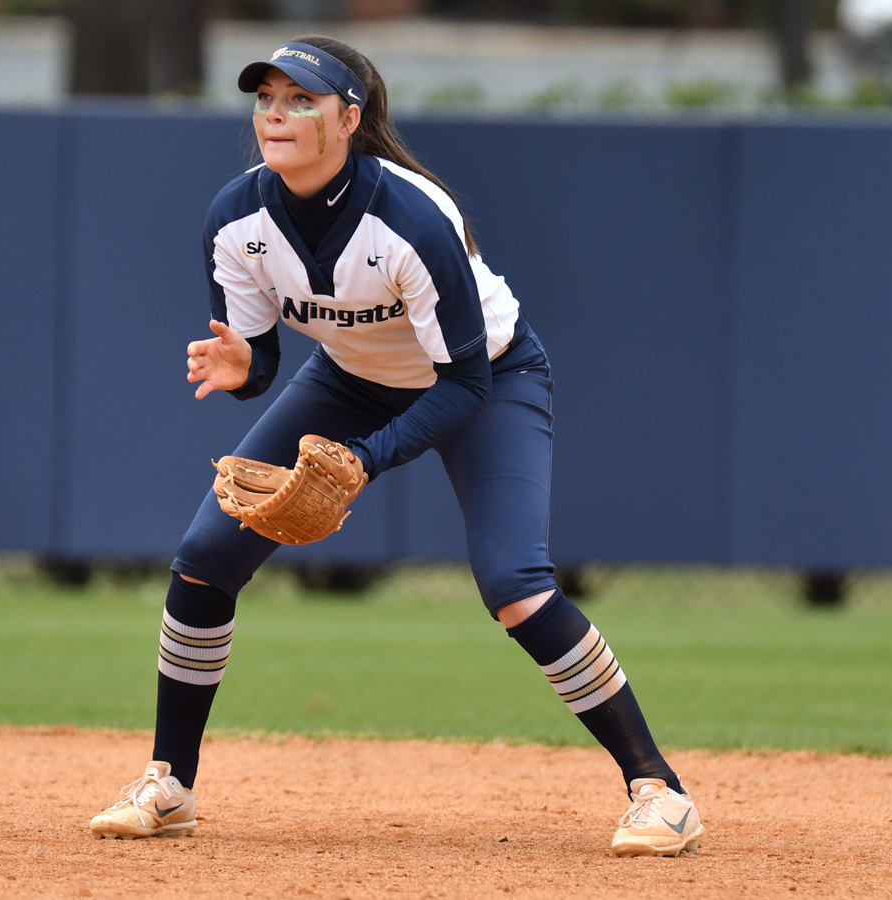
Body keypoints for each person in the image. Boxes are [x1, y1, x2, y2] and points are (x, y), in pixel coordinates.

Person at [88, 35, 703, 856]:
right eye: (266, 98)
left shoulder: (409, 218)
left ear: (350, 118)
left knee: (515, 585)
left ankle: (659, 788)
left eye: (301, 100)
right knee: (203, 558)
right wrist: (242, 367)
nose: (276, 113)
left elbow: (463, 385)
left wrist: (361, 463)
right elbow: (262, 358)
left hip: (489, 376)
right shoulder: (237, 219)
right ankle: (169, 784)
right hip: (350, 377)